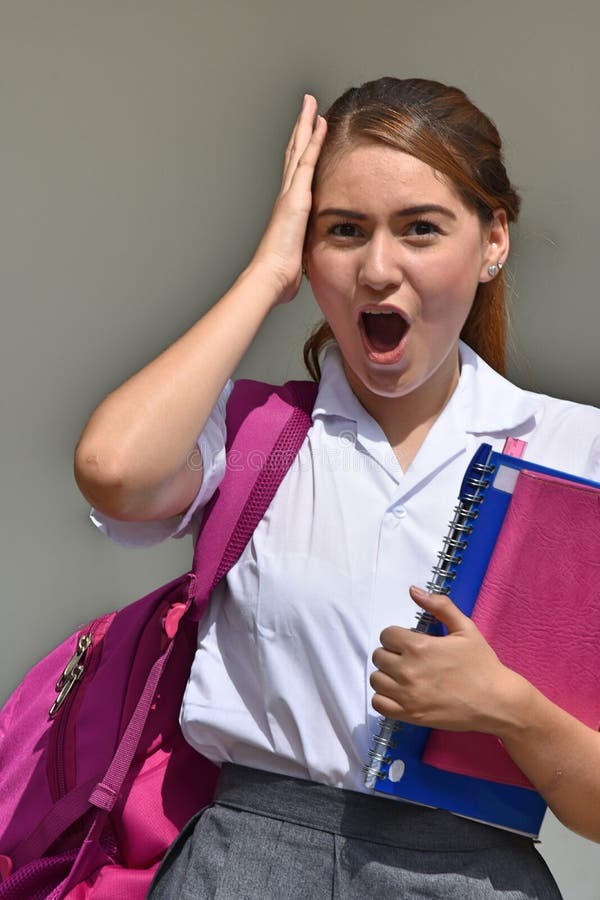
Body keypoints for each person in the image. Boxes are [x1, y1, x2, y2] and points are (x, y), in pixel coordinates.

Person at [74, 77, 600, 898]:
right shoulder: (254, 433)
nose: (377, 269)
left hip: (473, 875)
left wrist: (508, 708)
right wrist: (266, 273)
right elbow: (114, 471)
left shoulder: (579, 453)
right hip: (242, 865)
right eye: (343, 231)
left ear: (494, 240)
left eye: (420, 228)